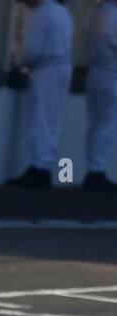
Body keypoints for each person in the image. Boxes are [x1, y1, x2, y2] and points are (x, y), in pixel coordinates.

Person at [8, 0, 73, 189]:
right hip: (62, 66)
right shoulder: (63, 12)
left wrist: (18, 62)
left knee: (40, 118)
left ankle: (39, 166)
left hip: (45, 69)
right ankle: (45, 162)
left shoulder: (41, 14)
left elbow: (31, 48)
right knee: (52, 119)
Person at [85, 0, 117, 190]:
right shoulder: (113, 15)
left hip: (94, 73)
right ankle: (97, 170)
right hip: (111, 73)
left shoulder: (95, 13)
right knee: (106, 126)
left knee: (95, 125)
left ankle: (93, 168)